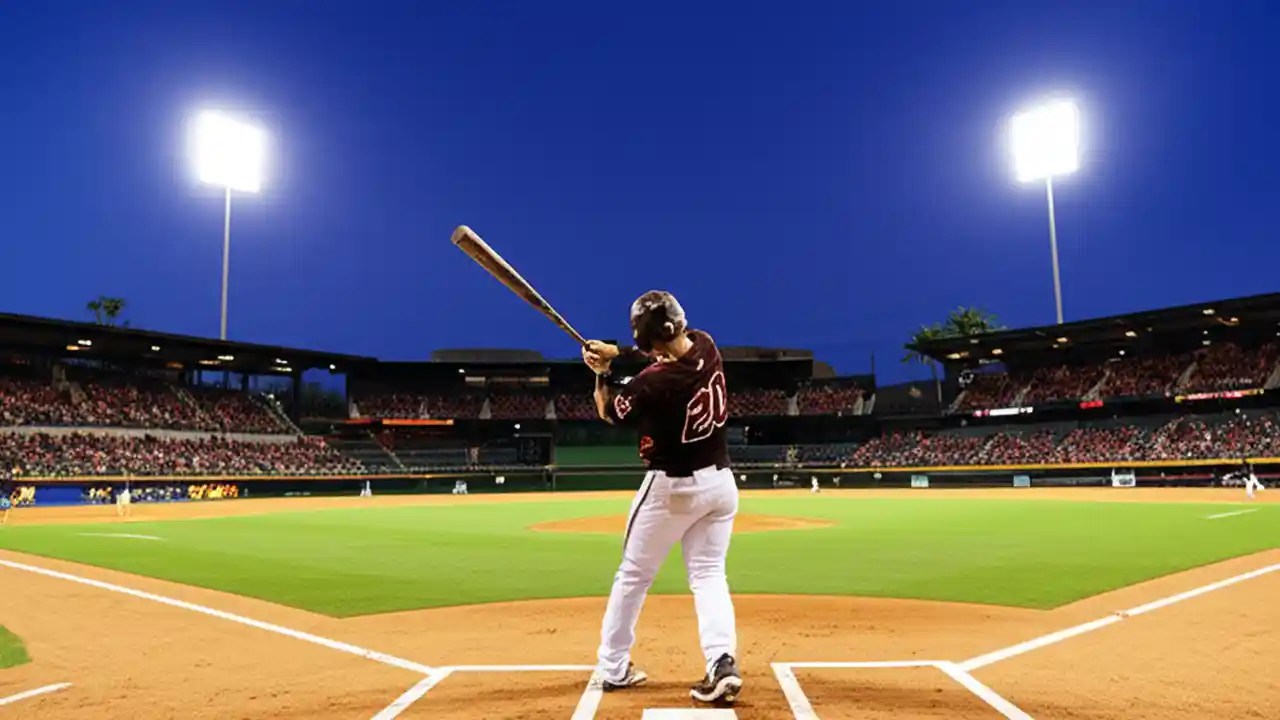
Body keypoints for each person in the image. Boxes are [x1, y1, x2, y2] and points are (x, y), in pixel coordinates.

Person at [582, 290, 742, 705]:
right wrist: (615, 353)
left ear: (649, 340)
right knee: (709, 575)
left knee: (633, 575)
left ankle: (613, 667)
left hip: (672, 489)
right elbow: (663, 353)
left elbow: (608, 411)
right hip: (721, 485)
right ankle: (722, 662)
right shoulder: (706, 344)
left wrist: (601, 373)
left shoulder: (652, 382)